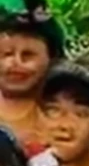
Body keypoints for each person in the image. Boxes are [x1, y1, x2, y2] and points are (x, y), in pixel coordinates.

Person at [0, 9, 62, 158]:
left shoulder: (82, 111)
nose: (15, 63)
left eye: (28, 55)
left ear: (53, 60)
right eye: (6, 54)